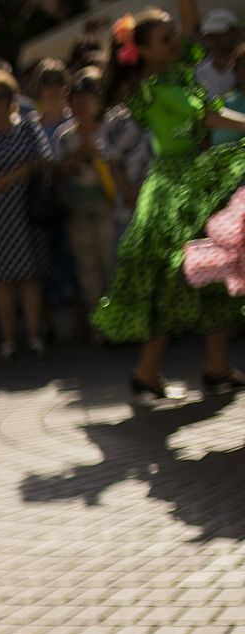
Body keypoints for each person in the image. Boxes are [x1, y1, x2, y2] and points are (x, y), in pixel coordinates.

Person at [96, 5, 245, 397]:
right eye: (166, 38)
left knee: (211, 266)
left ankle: (215, 366)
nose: (175, 41)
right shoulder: (149, 89)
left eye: (173, 35)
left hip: (194, 176)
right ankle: (147, 371)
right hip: (170, 188)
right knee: (172, 278)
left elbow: (209, 113)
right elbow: (201, 121)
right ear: (142, 50)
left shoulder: (179, 77)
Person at [0, 69, 55, 358]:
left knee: (29, 276)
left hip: (25, 211)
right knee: (2, 281)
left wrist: (8, 179)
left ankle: (33, 336)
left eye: (1, 97)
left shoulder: (28, 127)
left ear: (11, 98)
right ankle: (8, 340)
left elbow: (44, 159)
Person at [57, 70, 122, 338]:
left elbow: (120, 163)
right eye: (76, 101)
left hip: (107, 205)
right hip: (77, 208)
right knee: (87, 268)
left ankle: (120, 320)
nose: (81, 107)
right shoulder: (64, 136)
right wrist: (73, 159)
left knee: (111, 262)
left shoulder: (109, 128)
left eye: (86, 100)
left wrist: (98, 153)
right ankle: (101, 326)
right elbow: (56, 171)